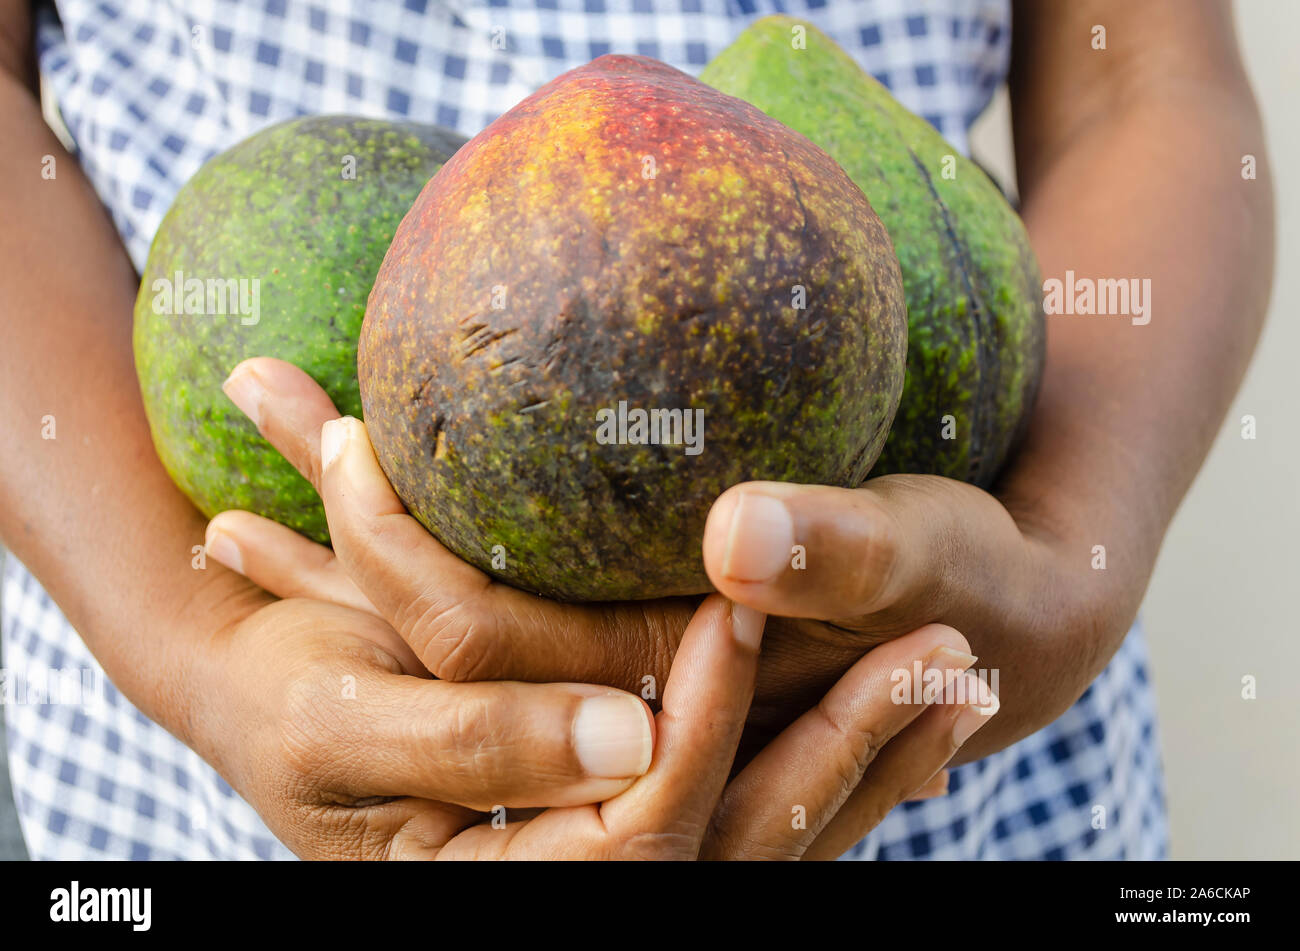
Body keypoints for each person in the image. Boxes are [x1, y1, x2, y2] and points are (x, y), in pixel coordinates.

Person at [0, 0, 1272, 860]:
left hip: (940, 724)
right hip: (217, 725)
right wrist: (197, 650)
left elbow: (1145, 81)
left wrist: (1066, 557)